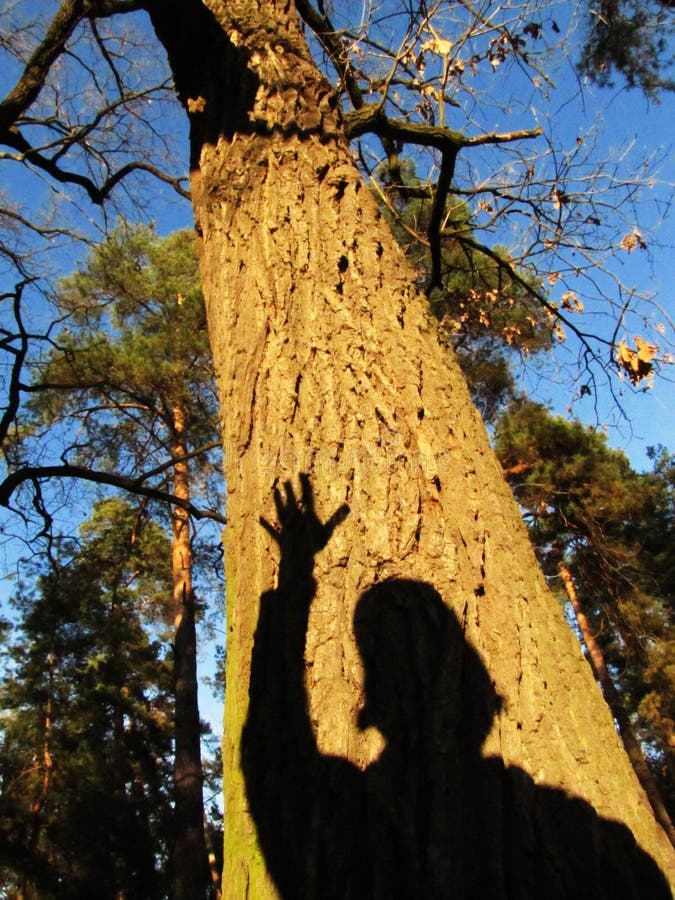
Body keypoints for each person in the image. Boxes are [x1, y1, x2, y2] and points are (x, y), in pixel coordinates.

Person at [242, 476, 671, 899]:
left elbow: (271, 755)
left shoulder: (337, 813)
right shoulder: (580, 823)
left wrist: (296, 575)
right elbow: (272, 758)